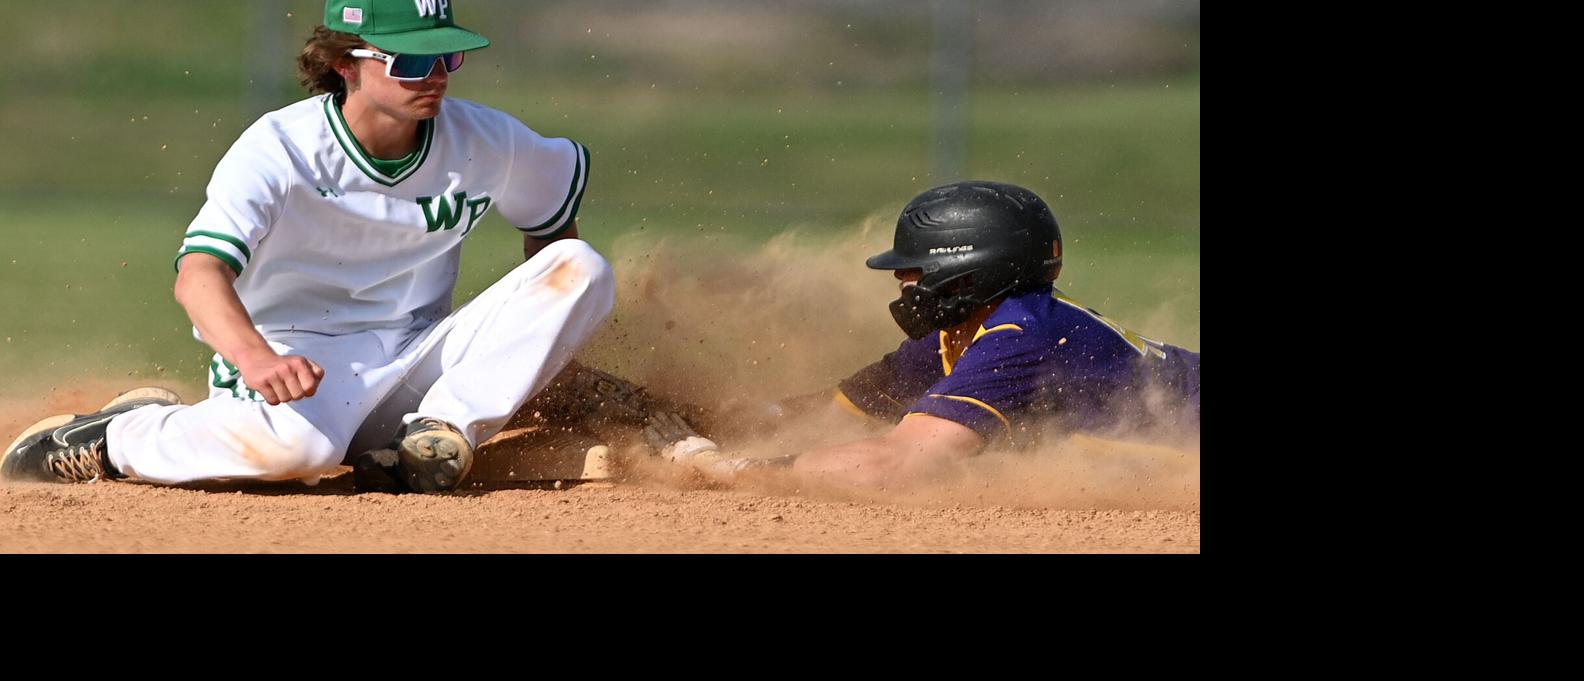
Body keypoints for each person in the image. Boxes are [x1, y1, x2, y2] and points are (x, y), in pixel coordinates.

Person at [4, 0, 616, 493]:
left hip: (420, 360)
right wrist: (256, 359)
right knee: (301, 452)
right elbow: (198, 274)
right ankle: (112, 438)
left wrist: (543, 354)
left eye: (447, 56)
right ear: (344, 62)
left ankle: (437, 436)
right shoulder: (281, 148)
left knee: (582, 267)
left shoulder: (488, 139)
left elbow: (553, 230)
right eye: (408, 60)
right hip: (298, 366)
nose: (433, 76)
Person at [649, 180, 1201, 489]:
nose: (900, 280)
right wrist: (688, 417)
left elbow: (894, 464)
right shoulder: (961, 334)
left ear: (965, 273)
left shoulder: (1019, 336)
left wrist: (730, 468)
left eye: (913, 269)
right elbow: (832, 414)